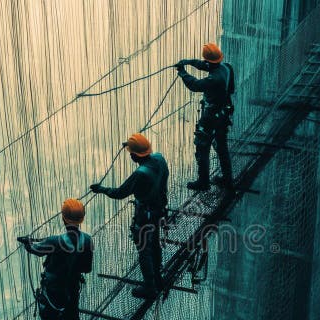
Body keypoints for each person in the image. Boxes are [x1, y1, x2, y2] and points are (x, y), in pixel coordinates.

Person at [18, 198, 93, 320]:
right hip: (73, 287)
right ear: (81, 218)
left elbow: (35, 250)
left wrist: (27, 243)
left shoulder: (55, 241)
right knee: (72, 316)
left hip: (53, 291)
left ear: (63, 218)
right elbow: (87, 269)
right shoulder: (87, 240)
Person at [90, 133, 169, 299]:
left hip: (145, 216)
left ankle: (149, 287)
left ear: (134, 156)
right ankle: (158, 278)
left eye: (131, 152)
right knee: (154, 244)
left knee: (144, 250)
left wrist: (101, 189)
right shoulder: (160, 159)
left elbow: (120, 193)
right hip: (159, 211)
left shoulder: (141, 174)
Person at [175, 42, 236, 191]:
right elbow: (206, 66)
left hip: (211, 117)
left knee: (202, 147)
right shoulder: (226, 67)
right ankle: (227, 179)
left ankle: (203, 182)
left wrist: (183, 72)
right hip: (223, 114)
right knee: (222, 147)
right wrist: (189, 62)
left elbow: (195, 85)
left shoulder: (214, 79)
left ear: (210, 61)